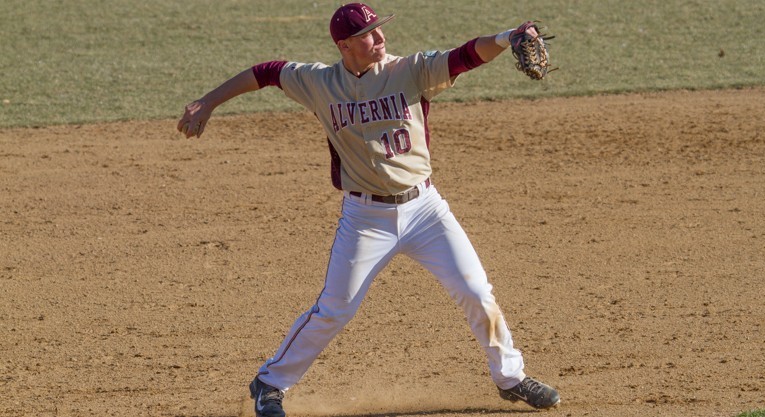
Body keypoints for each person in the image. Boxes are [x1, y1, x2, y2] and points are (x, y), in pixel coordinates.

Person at [177, 3, 560, 416]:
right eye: (368, 34)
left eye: (379, 29)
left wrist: (506, 37)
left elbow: (464, 56)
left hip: (426, 211)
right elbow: (265, 72)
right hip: (365, 219)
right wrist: (208, 101)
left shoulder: (410, 70)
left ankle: (511, 377)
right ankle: (269, 383)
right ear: (344, 45)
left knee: (476, 291)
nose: (380, 38)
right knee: (335, 309)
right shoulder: (318, 82)